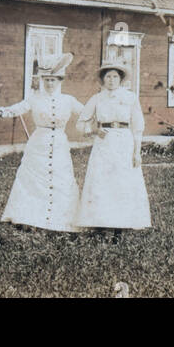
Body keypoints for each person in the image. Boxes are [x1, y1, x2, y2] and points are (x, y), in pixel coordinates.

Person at [0, 53, 85, 232]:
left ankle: (61, 221)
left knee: (61, 179)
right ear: (42, 80)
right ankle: (31, 218)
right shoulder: (34, 99)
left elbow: (87, 113)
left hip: (59, 144)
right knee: (33, 180)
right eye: (47, 80)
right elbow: (12, 111)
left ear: (60, 81)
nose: (50, 84)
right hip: (38, 145)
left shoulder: (68, 100)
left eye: (54, 80)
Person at [74, 62, 151, 231]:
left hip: (124, 141)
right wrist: (94, 130)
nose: (111, 80)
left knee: (122, 181)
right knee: (102, 181)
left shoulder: (130, 97)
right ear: (102, 79)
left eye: (115, 76)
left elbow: (138, 126)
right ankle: (100, 223)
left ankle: (121, 225)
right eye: (108, 76)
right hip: (104, 143)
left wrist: (137, 152)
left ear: (121, 79)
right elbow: (80, 124)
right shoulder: (97, 98)